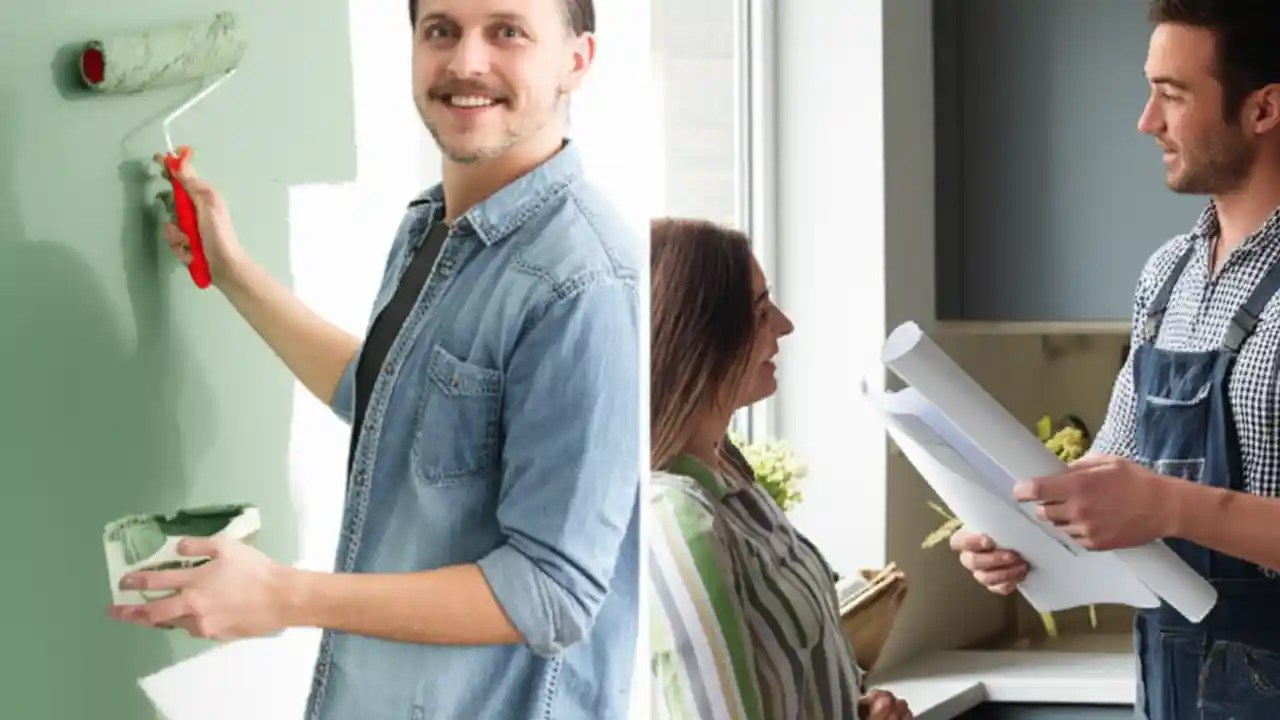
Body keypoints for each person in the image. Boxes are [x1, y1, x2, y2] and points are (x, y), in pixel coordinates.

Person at [106, 1, 641, 718]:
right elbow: (395, 399)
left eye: (507, 31)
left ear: (577, 60)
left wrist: (283, 595)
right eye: (441, 30)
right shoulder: (434, 228)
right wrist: (234, 274)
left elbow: (551, 593)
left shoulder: (585, 282)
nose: (466, 62)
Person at [950, 1, 1280, 717]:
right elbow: (1110, 467)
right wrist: (1023, 533)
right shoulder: (1164, 278)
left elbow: (1149, 498)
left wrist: (1167, 503)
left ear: (1263, 109)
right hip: (1168, 685)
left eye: (1172, 94)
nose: (1146, 121)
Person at [649, 218, 913, 720]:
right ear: (698, 335)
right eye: (760, 311)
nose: (785, 325)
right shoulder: (675, 519)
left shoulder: (733, 479)